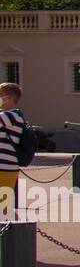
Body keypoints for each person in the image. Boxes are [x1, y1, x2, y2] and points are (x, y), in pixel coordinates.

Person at [0, 82, 26, 217]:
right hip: (4, 166)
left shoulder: (12, 116)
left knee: (4, 208)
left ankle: (19, 234)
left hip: (5, 167)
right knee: (4, 208)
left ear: (9, 98)